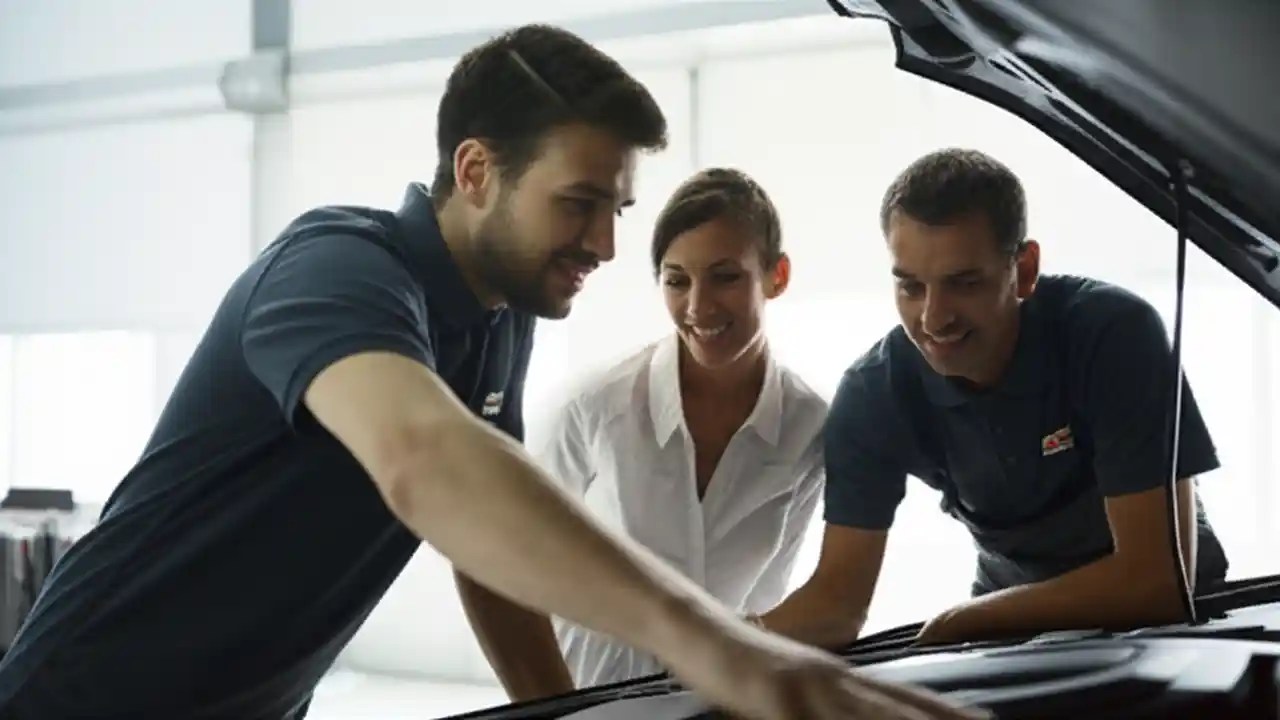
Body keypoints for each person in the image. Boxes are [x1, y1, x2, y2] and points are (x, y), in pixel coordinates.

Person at [0, 25, 983, 720]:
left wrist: (557, 712)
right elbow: (423, 461)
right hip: (94, 694)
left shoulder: (497, 322)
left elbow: (481, 542)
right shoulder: (336, 268)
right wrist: (725, 650)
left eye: (616, 209)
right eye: (579, 203)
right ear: (476, 171)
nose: (605, 243)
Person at [757, 148, 1230, 648]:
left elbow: (1155, 583)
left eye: (963, 284)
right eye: (911, 287)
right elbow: (835, 606)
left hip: (1171, 635)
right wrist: (699, 654)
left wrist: (962, 623)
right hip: (1011, 630)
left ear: (1024, 270)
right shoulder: (875, 392)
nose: (934, 318)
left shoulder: (1112, 334)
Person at [463, 168, 829, 695]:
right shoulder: (592, 407)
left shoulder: (809, 427)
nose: (698, 307)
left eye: (725, 277)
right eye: (677, 280)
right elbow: (508, 565)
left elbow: (767, 605)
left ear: (777, 276)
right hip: (584, 701)